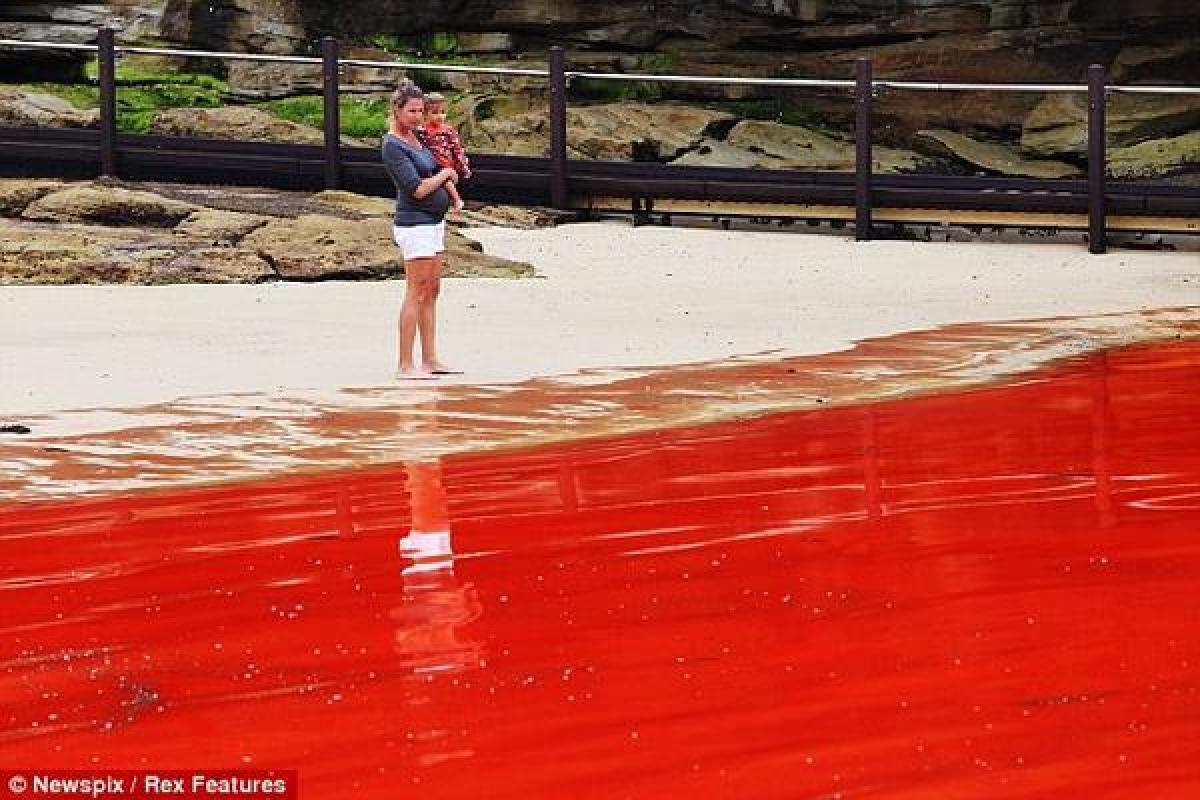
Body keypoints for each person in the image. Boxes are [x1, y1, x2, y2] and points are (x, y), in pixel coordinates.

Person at [382, 81, 461, 380]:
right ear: (397, 110)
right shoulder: (392, 145)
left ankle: (430, 359)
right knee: (415, 291)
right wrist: (445, 174)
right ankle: (405, 364)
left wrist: (451, 190)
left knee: (432, 291)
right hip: (414, 224)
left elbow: (434, 169)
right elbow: (417, 188)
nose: (417, 116)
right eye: (412, 111)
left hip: (433, 223)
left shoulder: (417, 138)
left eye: (421, 111)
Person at [415, 92, 472, 215]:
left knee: (443, 178)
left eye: (443, 112)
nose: (440, 116)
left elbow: (457, 149)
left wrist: (463, 166)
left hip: (443, 162)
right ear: (425, 114)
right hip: (429, 161)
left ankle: (457, 200)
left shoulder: (448, 130)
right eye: (435, 113)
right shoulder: (422, 129)